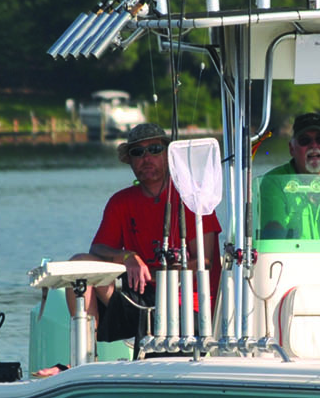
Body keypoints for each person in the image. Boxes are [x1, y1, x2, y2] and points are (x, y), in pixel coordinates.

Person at [80, 122, 222, 343]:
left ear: (169, 155)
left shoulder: (194, 196)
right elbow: (97, 249)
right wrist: (127, 257)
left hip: (190, 306)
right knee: (80, 264)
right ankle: (86, 354)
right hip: (142, 300)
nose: (146, 158)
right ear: (130, 160)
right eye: (138, 152)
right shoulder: (120, 201)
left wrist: (156, 274)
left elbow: (205, 261)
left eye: (154, 149)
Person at [257, 111, 320, 240]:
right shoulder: (273, 182)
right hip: (291, 254)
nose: (313, 145)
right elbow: (274, 234)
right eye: (304, 140)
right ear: (291, 148)